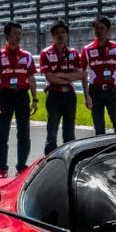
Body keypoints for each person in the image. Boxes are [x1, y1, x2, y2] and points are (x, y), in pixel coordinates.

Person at [0, 22, 38, 179]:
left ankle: (21, 166)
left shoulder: (27, 57)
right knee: (3, 133)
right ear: (6, 36)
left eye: (20, 33)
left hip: (23, 96)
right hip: (6, 96)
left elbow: (31, 78)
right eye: (15, 33)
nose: (18, 37)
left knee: (24, 133)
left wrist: (35, 99)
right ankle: (2, 168)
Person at [40, 20, 84, 154]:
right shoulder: (46, 53)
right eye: (57, 33)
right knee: (52, 130)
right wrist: (69, 76)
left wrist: (60, 75)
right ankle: (49, 161)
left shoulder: (74, 53)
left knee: (69, 132)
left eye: (63, 32)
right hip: (54, 94)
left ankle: (70, 158)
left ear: (67, 35)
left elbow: (81, 75)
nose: (61, 35)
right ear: (52, 36)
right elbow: (50, 78)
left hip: (70, 95)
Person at [80, 16, 116, 135]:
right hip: (95, 91)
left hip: (112, 91)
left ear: (108, 30)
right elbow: (83, 74)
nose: (99, 31)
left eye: (102, 28)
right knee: (99, 127)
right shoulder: (87, 50)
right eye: (96, 28)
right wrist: (86, 95)